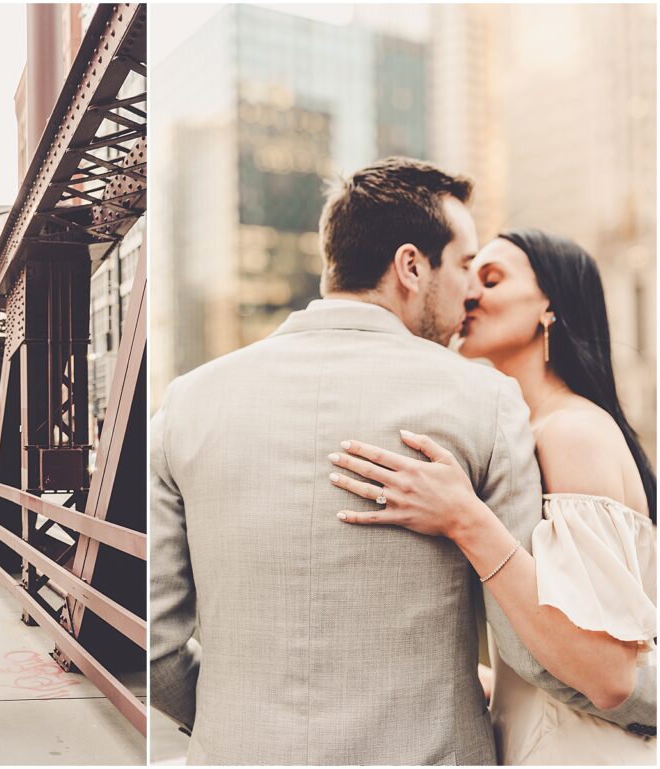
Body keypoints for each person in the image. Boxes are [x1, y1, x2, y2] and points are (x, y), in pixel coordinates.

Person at [150, 157, 656, 764]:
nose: (470, 289)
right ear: (412, 266)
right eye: (467, 265)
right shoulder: (488, 403)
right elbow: (529, 649)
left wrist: (244, 727)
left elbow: (156, 648)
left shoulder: (186, 403)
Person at [329, 229, 656, 764]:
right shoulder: (528, 432)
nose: (470, 293)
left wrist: (464, 519)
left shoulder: (572, 431)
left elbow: (610, 674)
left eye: (493, 278)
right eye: (469, 274)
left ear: (548, 305)